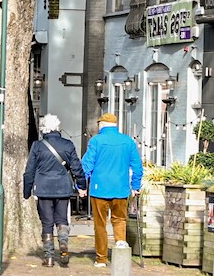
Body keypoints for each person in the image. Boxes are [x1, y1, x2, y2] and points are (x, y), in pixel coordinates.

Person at [81, 112, 143, 268]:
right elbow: (137, 167)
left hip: (99, 188)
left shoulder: (96, 141)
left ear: (101, 124)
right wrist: (135, 186)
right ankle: (120, 256)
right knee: (120, 220)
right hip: (121, 188)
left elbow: (86, 165)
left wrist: (81, 185)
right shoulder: (128, 142)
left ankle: (101, 259)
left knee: (100, 224)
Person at [23, 114, 85, 267]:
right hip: (63, 188)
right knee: (62, 220)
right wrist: (82, 185)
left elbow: (29, 171)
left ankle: (49, 257)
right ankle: (63, 247)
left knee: (47, 223)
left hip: (43, 188)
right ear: (57, 127)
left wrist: (27, 191)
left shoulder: (37, 146)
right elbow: (76, 167)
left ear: (44, 128)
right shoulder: (68, 144)